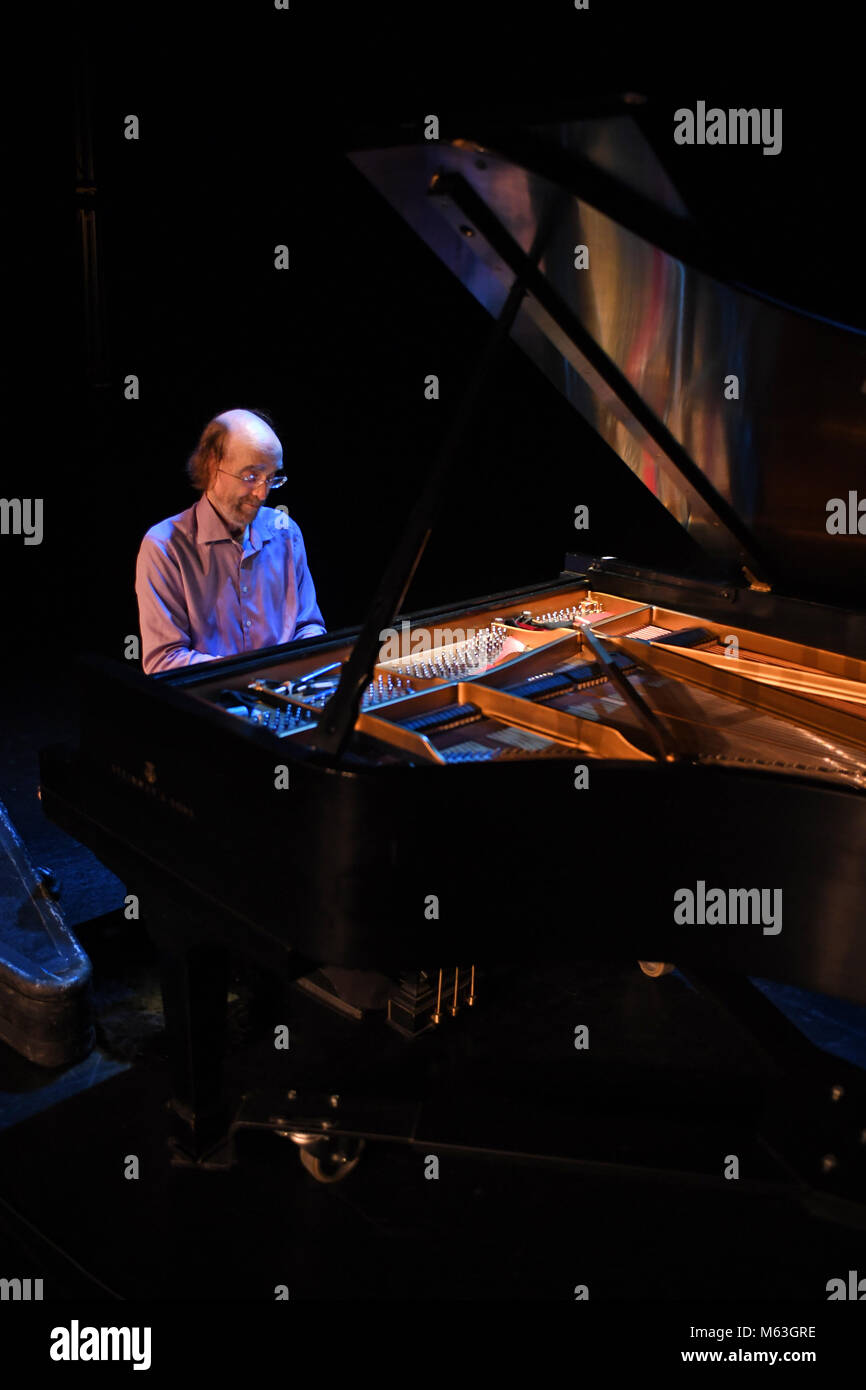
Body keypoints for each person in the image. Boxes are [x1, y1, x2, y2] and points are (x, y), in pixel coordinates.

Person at [135, 408, 325, 675]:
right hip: (207, 710)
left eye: (272, 478)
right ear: (213, 466)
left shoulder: (286, 531)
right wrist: (253, 676)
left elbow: (308, 628)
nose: (262, 492)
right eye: (251, 477)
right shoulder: (164, 547)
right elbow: (164, 661)